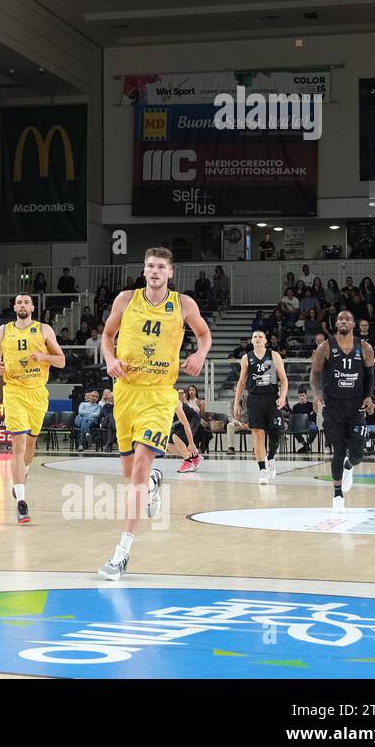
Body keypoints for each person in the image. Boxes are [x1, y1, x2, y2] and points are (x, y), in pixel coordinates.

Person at [99, 247, 211, 581]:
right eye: (150, 266)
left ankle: (122, 553)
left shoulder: (183, 304)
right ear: (143, 270)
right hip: (126, 392)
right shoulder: (125, 299)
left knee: (140, 467)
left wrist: (200, 354)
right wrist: (110, 359)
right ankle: (152, 484)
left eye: (161, 267)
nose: (155, 271)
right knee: (129, 472)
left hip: (160, 394)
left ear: (171, 272)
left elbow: (204, 334)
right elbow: (107, 336)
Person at [0, 292, 64, 522]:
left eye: (26, 302)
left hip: (38, 393)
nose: (22, 305)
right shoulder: (5, 330)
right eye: (19, 302)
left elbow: (61, 360)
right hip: (13, 392)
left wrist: (43, 355)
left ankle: (23, 475)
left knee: (30, 445)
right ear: (14, 307)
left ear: (32, 308)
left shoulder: (44, 330)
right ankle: (21, 502)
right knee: (18, 445)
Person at [309, 310, 375, 511]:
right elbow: (315, 375)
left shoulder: (365, 348)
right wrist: (317, 394)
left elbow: (370, 376)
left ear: (353, 324)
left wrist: (368, 396)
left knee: (357, 454)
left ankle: (350, 466)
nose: (343, 321)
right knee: (337, 451)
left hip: (356, 407)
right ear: (336, 324)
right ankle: (337, 494)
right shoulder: (325, 347)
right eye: (340, 319)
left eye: (347, 318)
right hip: (333, 407)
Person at [231, 329, 288, 485]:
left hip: (272, 399)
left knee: (276, 433)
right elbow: (241, 383)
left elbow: (284, 380)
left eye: (260, 337)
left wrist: (282, 397)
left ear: (265, 341)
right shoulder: (246, 358)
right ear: (251, 340)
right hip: (255, 399)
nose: (257, 339)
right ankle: (262, 469)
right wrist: (237, 402)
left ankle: (271, 458)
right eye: (254, 337)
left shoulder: (274, 356)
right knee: (258, 434)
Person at [289, 388, 319, 453]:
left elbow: (313, 416)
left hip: (310, 423)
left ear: (306, 396)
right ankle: (305, 445)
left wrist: (307, 416)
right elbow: (294, 418)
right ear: (298, 396)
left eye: (303, 395)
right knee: (294, 430)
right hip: (300, 424)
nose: (302, 397)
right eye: (300, 396)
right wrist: (308, 415)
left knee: (314, 429)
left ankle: (307, 445)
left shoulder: (311, 405)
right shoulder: (295, 407)